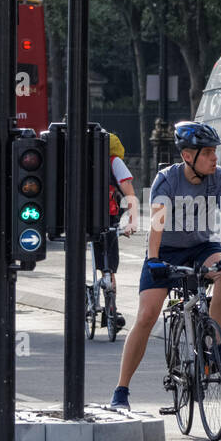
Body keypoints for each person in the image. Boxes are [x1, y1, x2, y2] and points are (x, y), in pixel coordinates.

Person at [110, 121, 221, 410]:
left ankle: (214, 347)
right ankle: (121, 390)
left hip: (203, 247)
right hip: (165, 250)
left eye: (215, 152)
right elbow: (157, 224)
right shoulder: (167, 179)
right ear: (188, 156)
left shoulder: (220, 178)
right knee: (147, 315)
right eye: (209, 153)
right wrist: (153, 260)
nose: (215, 158)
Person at [93, 130, 139, 328]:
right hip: (107, 216)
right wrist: (132, 220)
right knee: (108, 262)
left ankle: (109, 307)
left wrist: (133, 220)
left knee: (106, 264)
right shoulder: (115, 162)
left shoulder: (80, 159)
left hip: (94, 216)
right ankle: (110, 308)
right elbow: (128, 191)